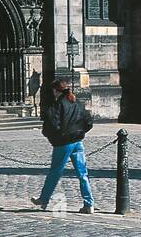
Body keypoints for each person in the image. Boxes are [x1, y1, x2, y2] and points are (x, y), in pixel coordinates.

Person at [31, 79, 95, 214]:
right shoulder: (76, 102)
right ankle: (89, 204)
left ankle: (43, 199)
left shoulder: (58, 105)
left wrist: (55, 138)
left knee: (55, 173)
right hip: (78, 142)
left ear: (56, 91)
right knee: (83, 174)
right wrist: (80, 131)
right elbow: (88, 121)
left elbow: (51, 125)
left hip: (64, 143)